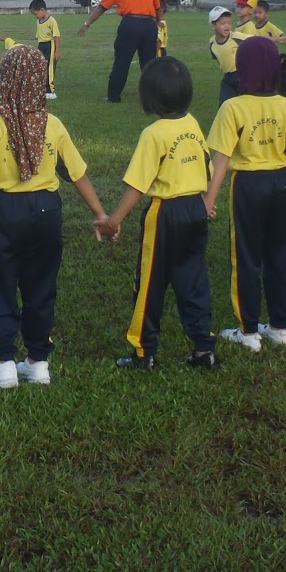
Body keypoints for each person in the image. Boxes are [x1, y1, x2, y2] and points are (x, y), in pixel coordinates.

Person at [0, 46, 108, 388]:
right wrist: (100, 213)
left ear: (7, 80)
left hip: (6, 211)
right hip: (47, 210)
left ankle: (3, 364)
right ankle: (37, 362)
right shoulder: (53, 125)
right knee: (41, 285)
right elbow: (76, 173)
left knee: (2, 284)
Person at [100, 57, 218, 371]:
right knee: (193, 280)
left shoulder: (154, 134)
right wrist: (205, 201)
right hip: (194, 209)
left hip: (164, 214)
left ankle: (143, 352)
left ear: (149, 97)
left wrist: (114, 221)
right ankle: (204, 349)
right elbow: (205, 168)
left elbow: (137, 186)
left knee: (150, 283)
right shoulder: (193, 124)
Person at [204, 37, 286, 351]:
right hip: (282, 185)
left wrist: (209, 198)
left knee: (246, 257)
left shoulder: (232, 107)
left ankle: (248, 332)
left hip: (248, 185)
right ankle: (278, 326)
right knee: (280, 256)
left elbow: (221, 157)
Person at [77, 0, 163, 103]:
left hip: (130, 24)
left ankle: (114, 96)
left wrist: (87, 24)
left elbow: (102, 7)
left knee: (122, 61)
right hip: (149, 25)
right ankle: (153, 98)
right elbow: (158, 7)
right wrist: (159, 22)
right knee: (149, 63)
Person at [207, 7, 241, 105]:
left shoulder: (236, 37)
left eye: (229, 23)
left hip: (243, 76)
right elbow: (218, 59)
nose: (227, 26)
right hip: (228, 78)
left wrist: (282, 39)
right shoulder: (212, 43)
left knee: (247, 106)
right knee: (224, 106)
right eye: (223, 23)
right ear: (213, 25)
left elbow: (258, 39)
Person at [30, 0, 61, 99]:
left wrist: (57, 51)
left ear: (42, 10)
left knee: (49, 68)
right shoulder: (39, 21)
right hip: (41, 45)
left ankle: (50, 91)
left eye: (36, 14)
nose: (35, 16)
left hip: (50, 45)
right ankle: (42, 88)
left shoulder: (51, 21)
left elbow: (57, 36)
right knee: (41, 67)